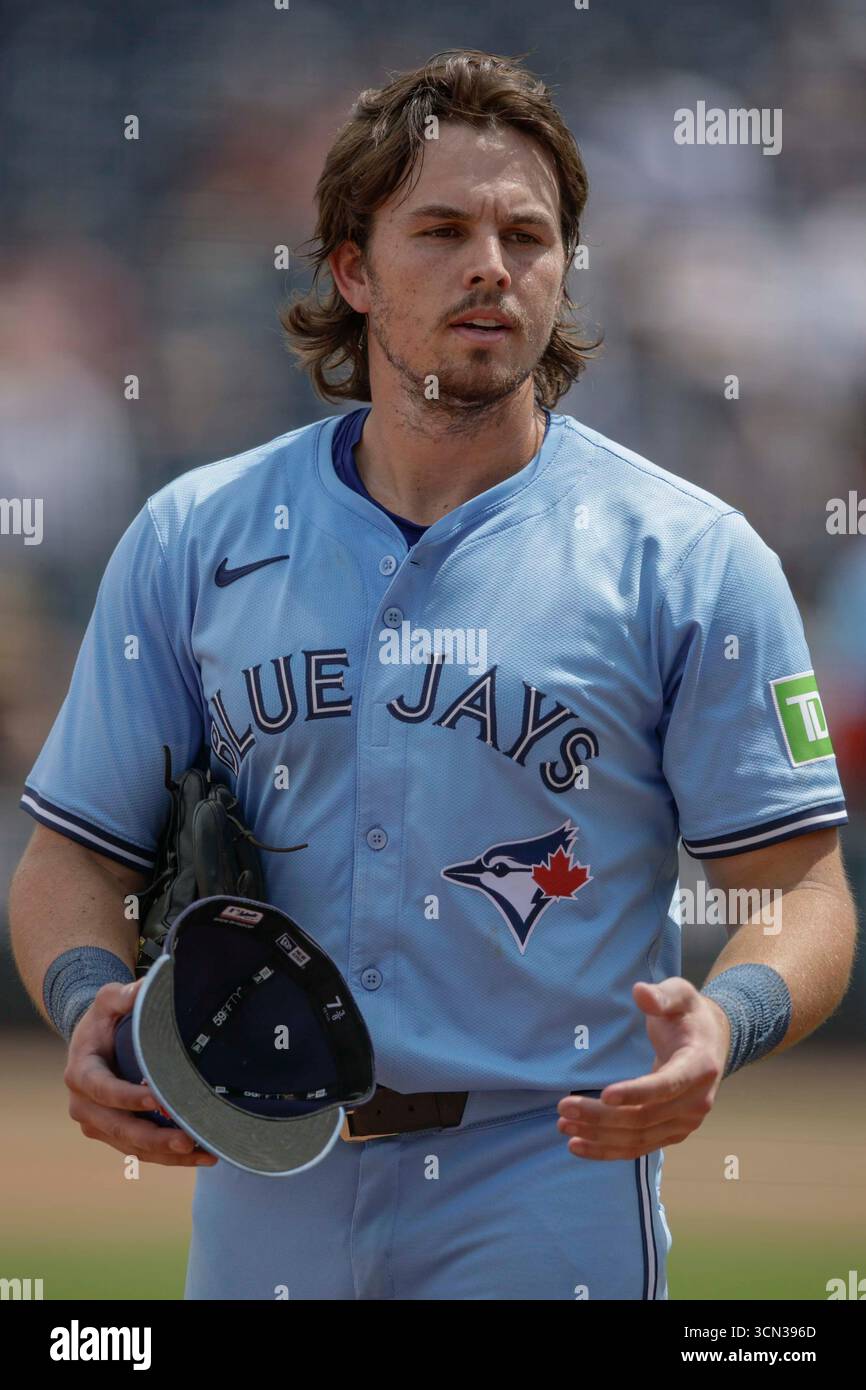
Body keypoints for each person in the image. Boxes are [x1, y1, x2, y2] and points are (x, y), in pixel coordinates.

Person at [10, 49, 856, 1301]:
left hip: (545, 1175)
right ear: (351, 269)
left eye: (527, 234)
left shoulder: (686, 557)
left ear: (564, 269)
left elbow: (801, 888)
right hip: (261, 1168)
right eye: (443, 229)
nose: (491, 267)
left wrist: (724, 1025)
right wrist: (88, 995)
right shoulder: (196, 538)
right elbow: (72, 855)